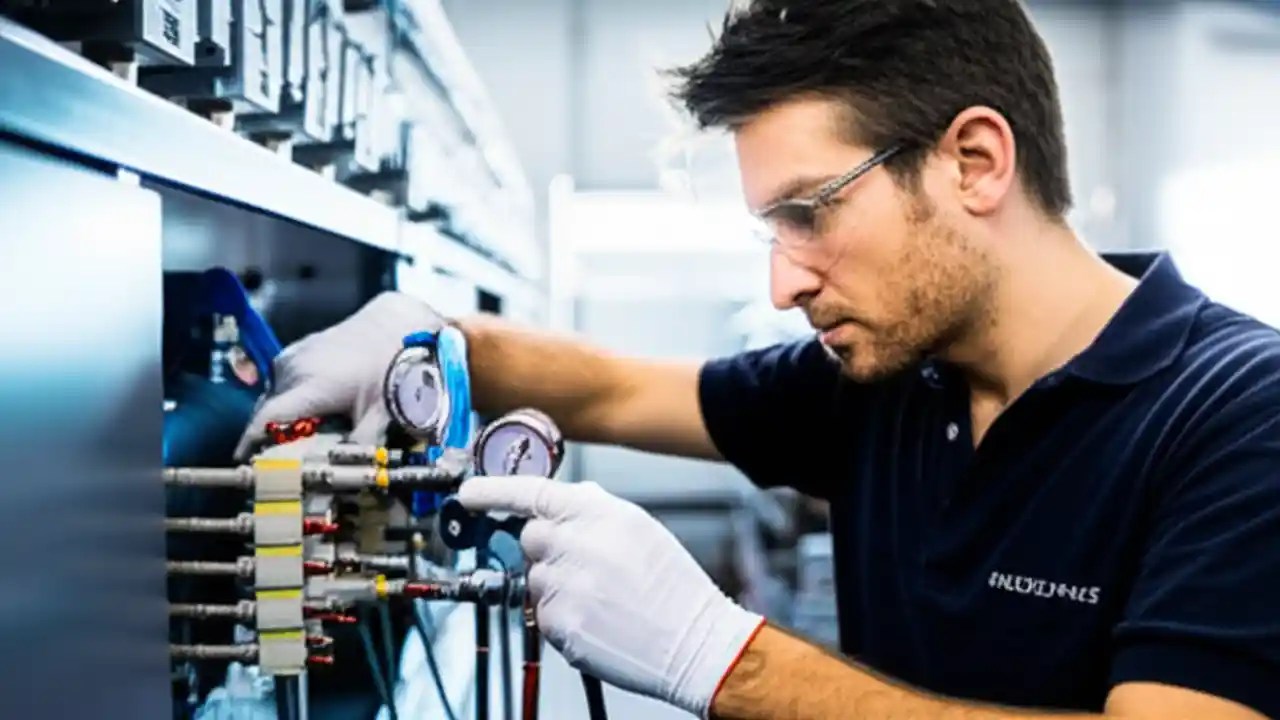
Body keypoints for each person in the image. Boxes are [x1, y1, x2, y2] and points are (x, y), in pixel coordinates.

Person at [238, 1, 1280, 718]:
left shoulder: (1239, 414)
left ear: (973, 162)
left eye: (809, 213)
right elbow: (616, 388)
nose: (783, 284)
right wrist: (424, 334)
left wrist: (721, 658)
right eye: (770, 230)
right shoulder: (887, 381)